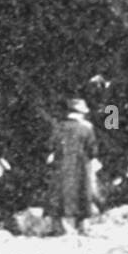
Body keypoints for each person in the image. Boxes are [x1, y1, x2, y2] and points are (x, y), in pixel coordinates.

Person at [47, 98, 99, 234]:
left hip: (62, 165)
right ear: (82, 113)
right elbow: (92, 150)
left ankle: (61, 227)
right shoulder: (86, 128)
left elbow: (51, 145)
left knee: (62, 194)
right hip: (81, 166)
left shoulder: (59, 127)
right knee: (83, 192)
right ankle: (82, 225)